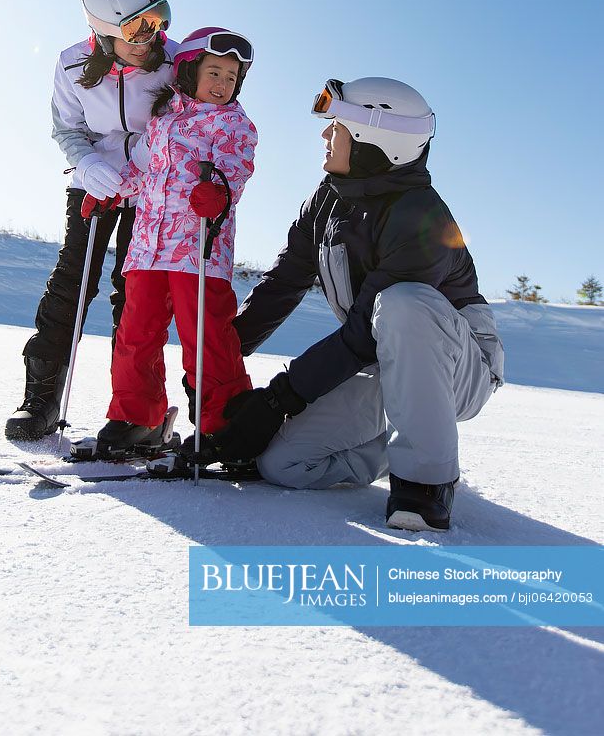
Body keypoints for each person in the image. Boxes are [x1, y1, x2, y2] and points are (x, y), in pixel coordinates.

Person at [211, 77, 504, 531]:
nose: (325, 136)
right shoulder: (327, 200)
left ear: (377, 141)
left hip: (459, 369)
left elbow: (364, 329)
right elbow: (284, 282)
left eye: (337, 128)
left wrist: (277, 400)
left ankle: (426, 481)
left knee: (405, 303)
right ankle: (392, 447)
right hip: (382, 360)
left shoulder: (421, 217)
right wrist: (220, 358)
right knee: (282, 465)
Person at [5, 0, 178, 441]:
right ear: (101, 33)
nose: (152, 36)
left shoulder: (178, 61)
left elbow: (190, 117)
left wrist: (149, 156)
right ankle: (39, 399)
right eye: (135, 28)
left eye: (158, 18)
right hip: (97, 182)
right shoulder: (71, 65)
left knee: (137, 295)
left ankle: (137, 409)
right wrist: (86, 167)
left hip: (153, 186)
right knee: (72, 281)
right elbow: (67, 129)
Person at [94, 28, 258, 456]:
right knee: (136, 331)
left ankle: (222, 424)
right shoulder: (162, 122)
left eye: (231, 78)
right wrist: (113, 190)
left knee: (204, 335)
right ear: (188, 71)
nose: (223, 84)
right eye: (215, 73)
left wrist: (219, 191)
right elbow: (143, 170)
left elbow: (236, 170)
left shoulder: (233, 123)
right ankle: (136, 416)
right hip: (148, 245)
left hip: (197, 248)